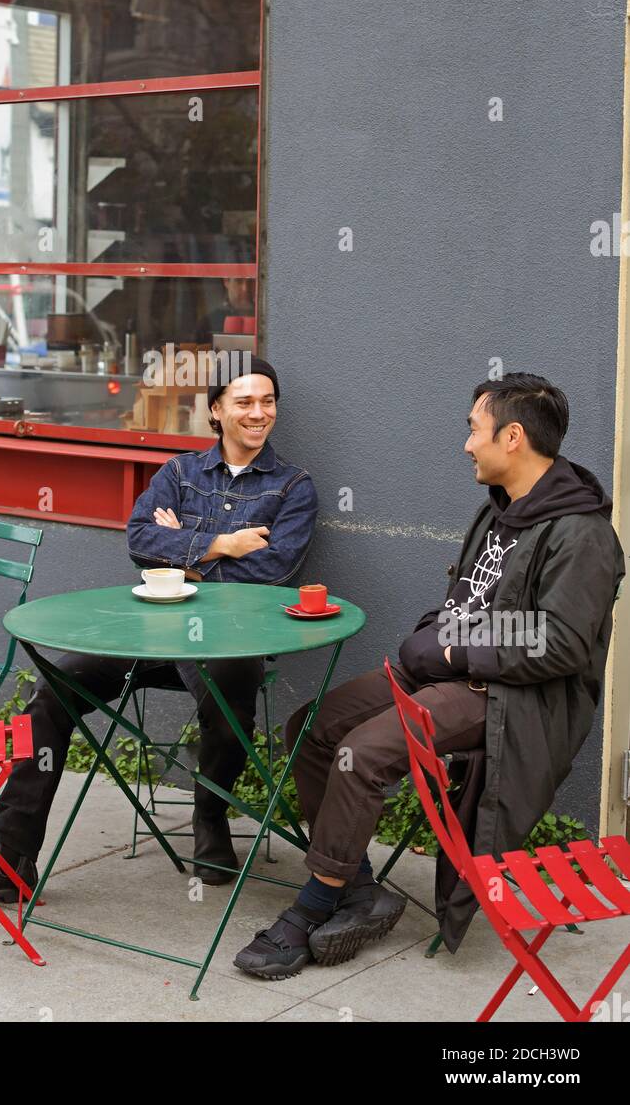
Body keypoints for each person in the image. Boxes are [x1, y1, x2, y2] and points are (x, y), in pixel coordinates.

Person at [234, 373, 625, 979]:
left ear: (513, 436)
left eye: (474, 430)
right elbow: (465, 603)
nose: (467, 444)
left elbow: (559, 641)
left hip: (506, 696)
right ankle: (359, 888)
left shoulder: (583, 535)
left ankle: (313, 905)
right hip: (448, 674)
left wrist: (452, 654)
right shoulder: (498, 512)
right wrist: (432, 636)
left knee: (360, 753)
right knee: (311, 729)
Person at [0, 355, 320, 907]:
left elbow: (274, 571)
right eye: (245, 402)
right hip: (151, 637)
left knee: (231, 700)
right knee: (52, 691)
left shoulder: (293, 488)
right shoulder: (178, 474)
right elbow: (139, 541)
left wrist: (185, 550)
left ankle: (210, 817)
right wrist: (224, 544)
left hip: (231, 639)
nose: (260, 413)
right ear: (216, 410)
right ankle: (8, 861)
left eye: (268, 401)